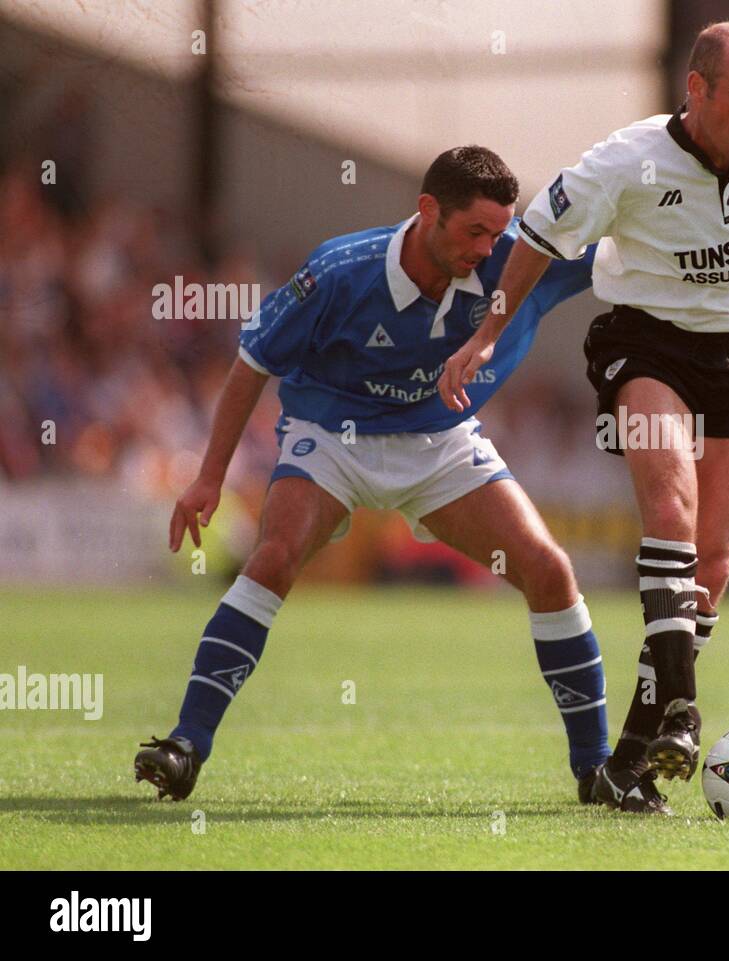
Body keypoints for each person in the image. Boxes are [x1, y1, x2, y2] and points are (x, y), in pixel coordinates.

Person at [135, 146, 613, 805]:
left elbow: (617, 248)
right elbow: (252, 363)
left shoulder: (512, 259)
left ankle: (597, 768)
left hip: (439, 444)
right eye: (474, 230)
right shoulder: (339, 270)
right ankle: (186, 744)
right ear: (426, 212)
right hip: (332, 440)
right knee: (272, 558)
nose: (487, 245)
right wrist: (209, 477)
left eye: (498, 231)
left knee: (549, 569)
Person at [437, 22, 729, 814]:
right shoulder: (622, 163)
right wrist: (487, 335)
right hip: (648, 343)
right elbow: (535, 234)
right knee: (671, 505)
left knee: (715, 561)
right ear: (695, 89)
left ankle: (628, 761)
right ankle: (682, 704)